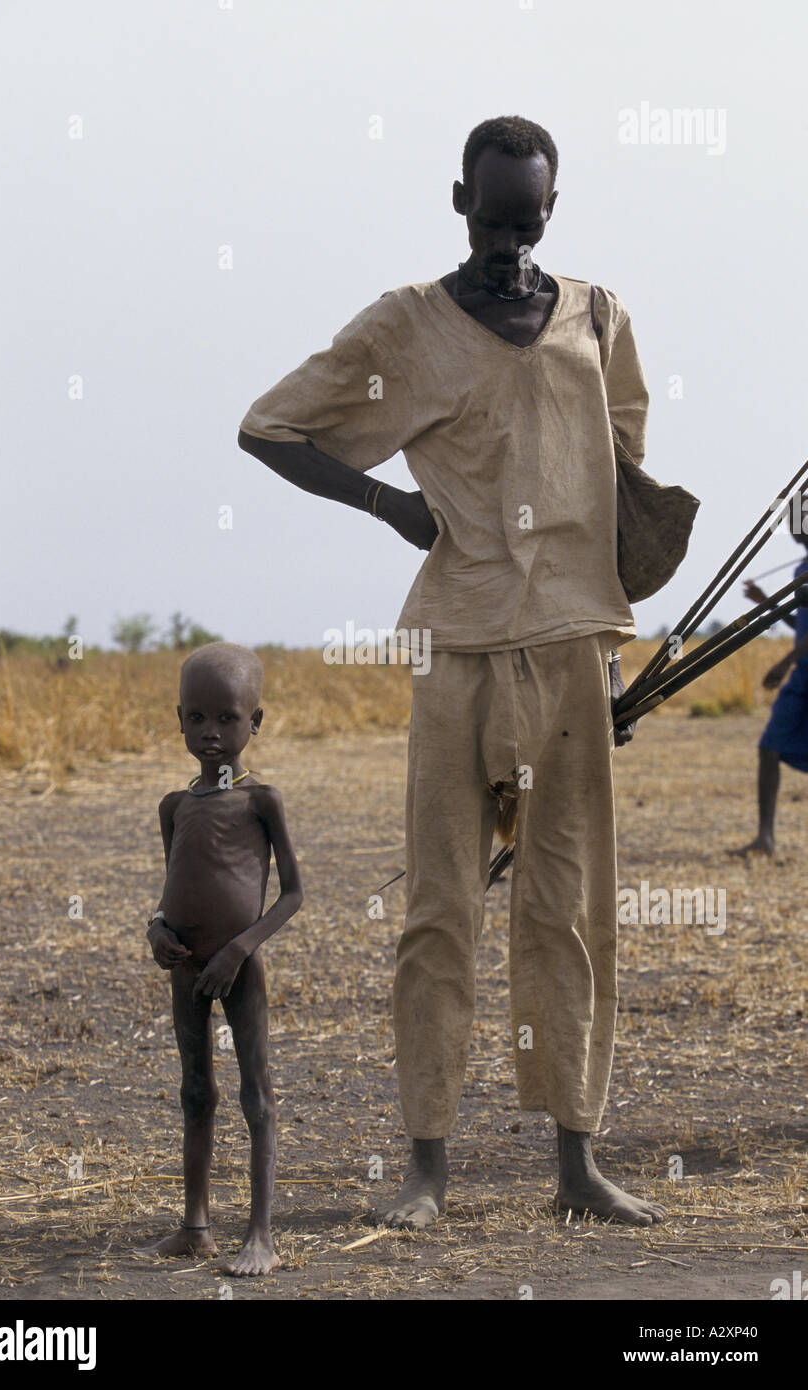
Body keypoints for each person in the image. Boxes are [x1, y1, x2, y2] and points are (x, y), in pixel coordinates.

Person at [239, 115, 665, 1227]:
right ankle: (426, 1169)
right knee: (440, 909)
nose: (507, 243)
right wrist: (388, 504)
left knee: (567, 908)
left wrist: (609, 635)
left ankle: (574, 1164)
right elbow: (270, 428)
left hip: (572, 647)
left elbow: (622, 463)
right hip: (455, 648)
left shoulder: (596, 314)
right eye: (489, 219)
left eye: (525, 223)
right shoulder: (407, 326)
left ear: (551, 211)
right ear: (456, 200)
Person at [138, 642, 303, 1274]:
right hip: (185, 966)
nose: (211, 733)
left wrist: (241, 948)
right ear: (179, 719)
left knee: (255, 1093)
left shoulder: (262, 801)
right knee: (196, 1091)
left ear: (254, 723)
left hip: (238, 967)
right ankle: (195, 1226)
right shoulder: (175, 807)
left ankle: (261, 1234)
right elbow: (171, 884)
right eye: (197, 718)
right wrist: (156, 928)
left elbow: (293, 894)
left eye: (228, 719)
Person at [731, 506, 808, 857]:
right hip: (802, 676)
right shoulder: (800, 571)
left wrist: (783, 662)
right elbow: (800, 627)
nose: (794, 529)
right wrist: (765, 603)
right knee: (769, 747)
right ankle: (766, 839)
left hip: (795, 667)